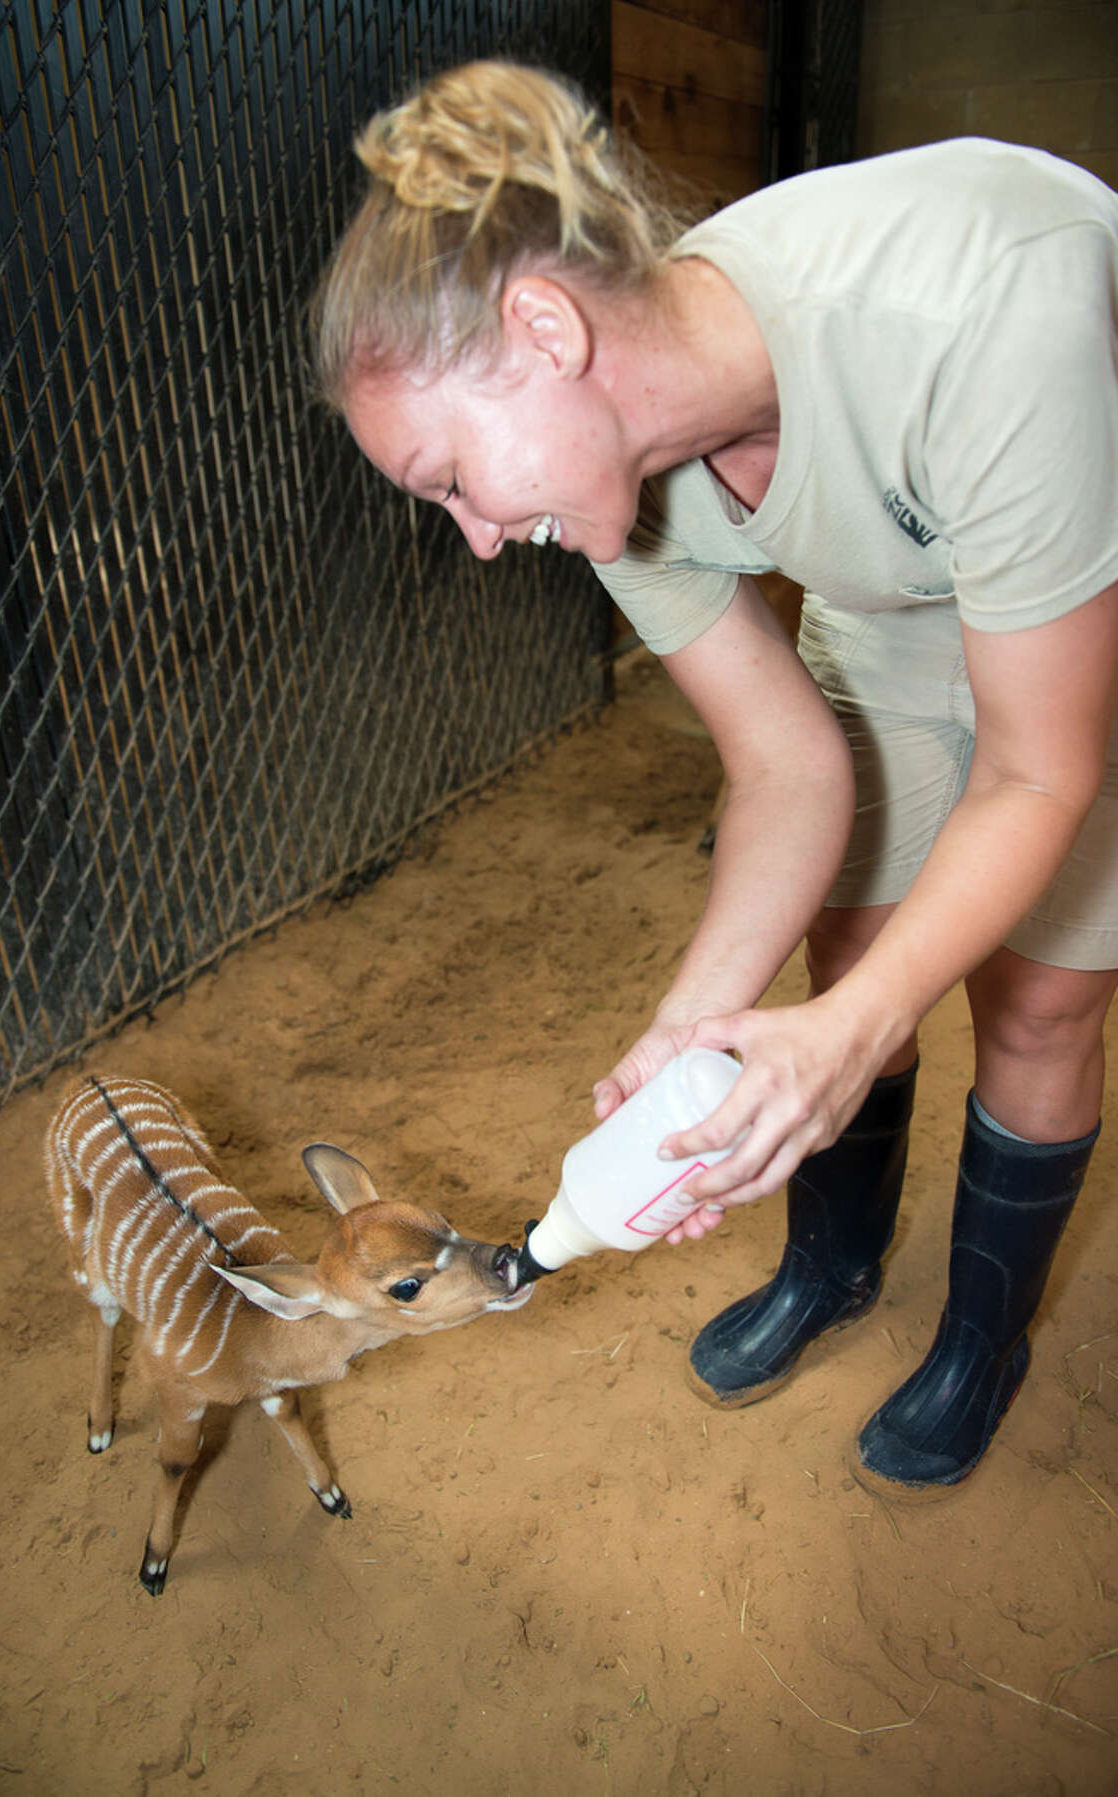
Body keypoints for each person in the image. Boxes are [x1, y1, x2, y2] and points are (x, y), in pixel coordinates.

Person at [310, 60, 1118, 1498]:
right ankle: (836, 1263)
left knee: (1040, 984)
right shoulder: (619, 485)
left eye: (448, 479)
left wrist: (858, 1030)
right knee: (850, 933)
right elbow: (787, 762)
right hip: (901, 569)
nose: (479, 538)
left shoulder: (979, 319)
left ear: (544, 328)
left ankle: (985, 1338)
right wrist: (695, 1024)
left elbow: (1039, 768)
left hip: (1074, 546)